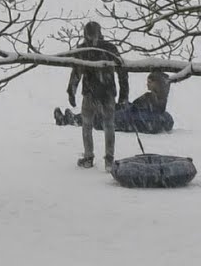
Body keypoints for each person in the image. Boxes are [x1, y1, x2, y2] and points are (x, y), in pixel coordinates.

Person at [65, 20, 129, 170]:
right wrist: (123, 94)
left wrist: (71, 91)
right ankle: (108, 159)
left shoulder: (84, 50)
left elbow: (76, 72)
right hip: (104, 92)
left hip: (93, 92)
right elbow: (122, 72)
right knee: (107, 125)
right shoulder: (109, 49)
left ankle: (90, 158)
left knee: (89, 125)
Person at [55, 71, 172, 134]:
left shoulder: (154, 100)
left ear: (157, 83)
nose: (147, 84)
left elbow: (138, 108)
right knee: (111, 108)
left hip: (132, 117)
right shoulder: (154, 98)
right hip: (135, 114)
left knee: (103, 116)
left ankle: (70, 120)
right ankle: (74, 117)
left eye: (150, 82)